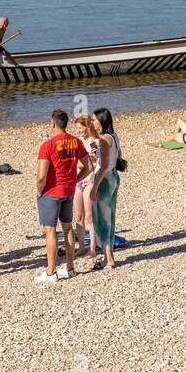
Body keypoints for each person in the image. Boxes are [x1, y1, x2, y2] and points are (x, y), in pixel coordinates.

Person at [34, 110, 91, 283]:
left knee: (50, 230)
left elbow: (41, 176)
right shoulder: (76, 142)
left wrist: (39, 190)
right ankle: (70, 267)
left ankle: (51, 272)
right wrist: (74, 180)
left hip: (51, 191)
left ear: (52, 124)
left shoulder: (48, 145)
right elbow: (88, 167)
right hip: (68, 191)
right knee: (68, 228)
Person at [89, 108, 122, 270]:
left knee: (102, 219)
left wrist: (94, 186)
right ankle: (109, 255)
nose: (92, 122)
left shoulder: (103, 139)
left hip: (104, 179)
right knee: (110, 216)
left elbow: (102, 166)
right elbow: (118, 155)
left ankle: (108, 258)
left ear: (101, 121)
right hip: (114, 176)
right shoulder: (114, 136)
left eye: (94, 120)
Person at [72, 115, 101, 254]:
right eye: (77, 128)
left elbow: (96, 162)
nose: (78, 131)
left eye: (80, 128)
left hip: (89, 180)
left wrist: (81, 165)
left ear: (88, 127)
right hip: (79, 181)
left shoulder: (93, 143)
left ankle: (92, 248)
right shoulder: (78, 142)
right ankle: (82, 246)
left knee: (89, 216)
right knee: (78, 216)